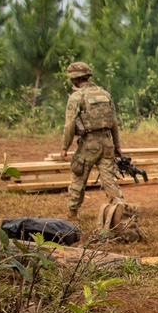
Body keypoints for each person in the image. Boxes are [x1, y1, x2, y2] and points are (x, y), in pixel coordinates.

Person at [59, 60, 123, 220]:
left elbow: (69, 125)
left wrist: (65, 147)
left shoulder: (77, 97)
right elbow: (114, 122)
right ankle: (120, 208)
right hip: (107, 143)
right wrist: (117, 146)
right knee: (109, 180)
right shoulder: (105, 94)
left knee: (78, 176)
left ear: (74, 79)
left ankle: (72, 213)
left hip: (89, 144)